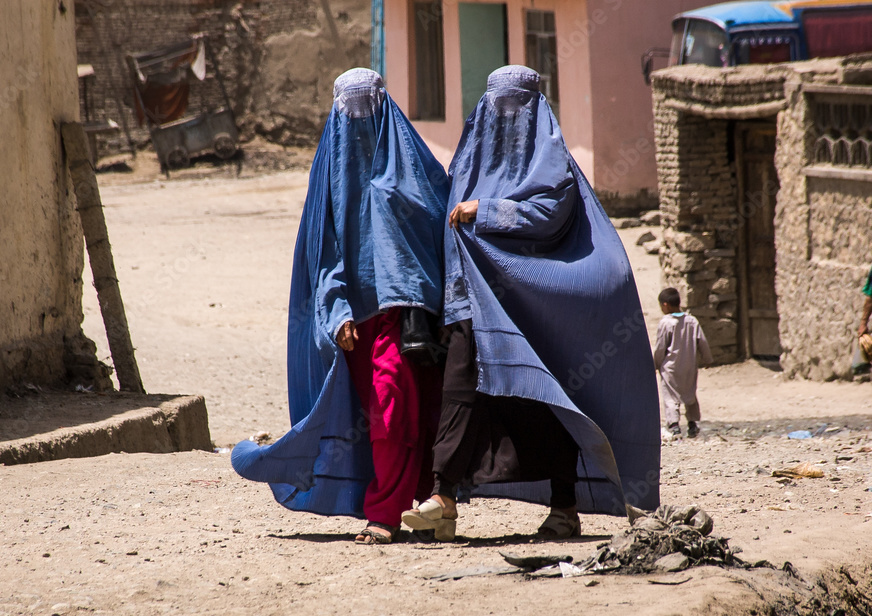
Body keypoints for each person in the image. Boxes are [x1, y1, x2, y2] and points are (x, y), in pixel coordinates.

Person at [401, 65, 661, 542]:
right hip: (469, 300)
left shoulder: (552, 163)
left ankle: (564, 507)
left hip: (527, 304)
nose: (505, 116)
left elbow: (550, 212)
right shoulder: (468, 159)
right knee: (461, 392)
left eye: (515, 105)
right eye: (498, 104)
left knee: (543, 401)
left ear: (535, 107)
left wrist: (490, 209)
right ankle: (444, 498)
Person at [230, 68, 449, 545]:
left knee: (394, 407)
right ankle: (410, 505)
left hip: (405, 314)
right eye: (349, 110)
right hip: (355, 319)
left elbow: (438, 215)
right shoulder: (330, 170)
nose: (359, 120)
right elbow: (321, 246)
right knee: (373, 416)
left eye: (366, 106)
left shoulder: (412, 161)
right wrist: (335, 311)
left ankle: (387, 514)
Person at [653, 288, 713, 439]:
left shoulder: (666, 323)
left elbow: (661, 347)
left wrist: (655, 363)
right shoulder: (692, 321)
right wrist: (707, 359)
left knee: (670, 396)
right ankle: (692, 423)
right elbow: (702, 342)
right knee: (690, 393)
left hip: (671, 368)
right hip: (689, 366)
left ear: (665, 305)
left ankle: (674, 426)